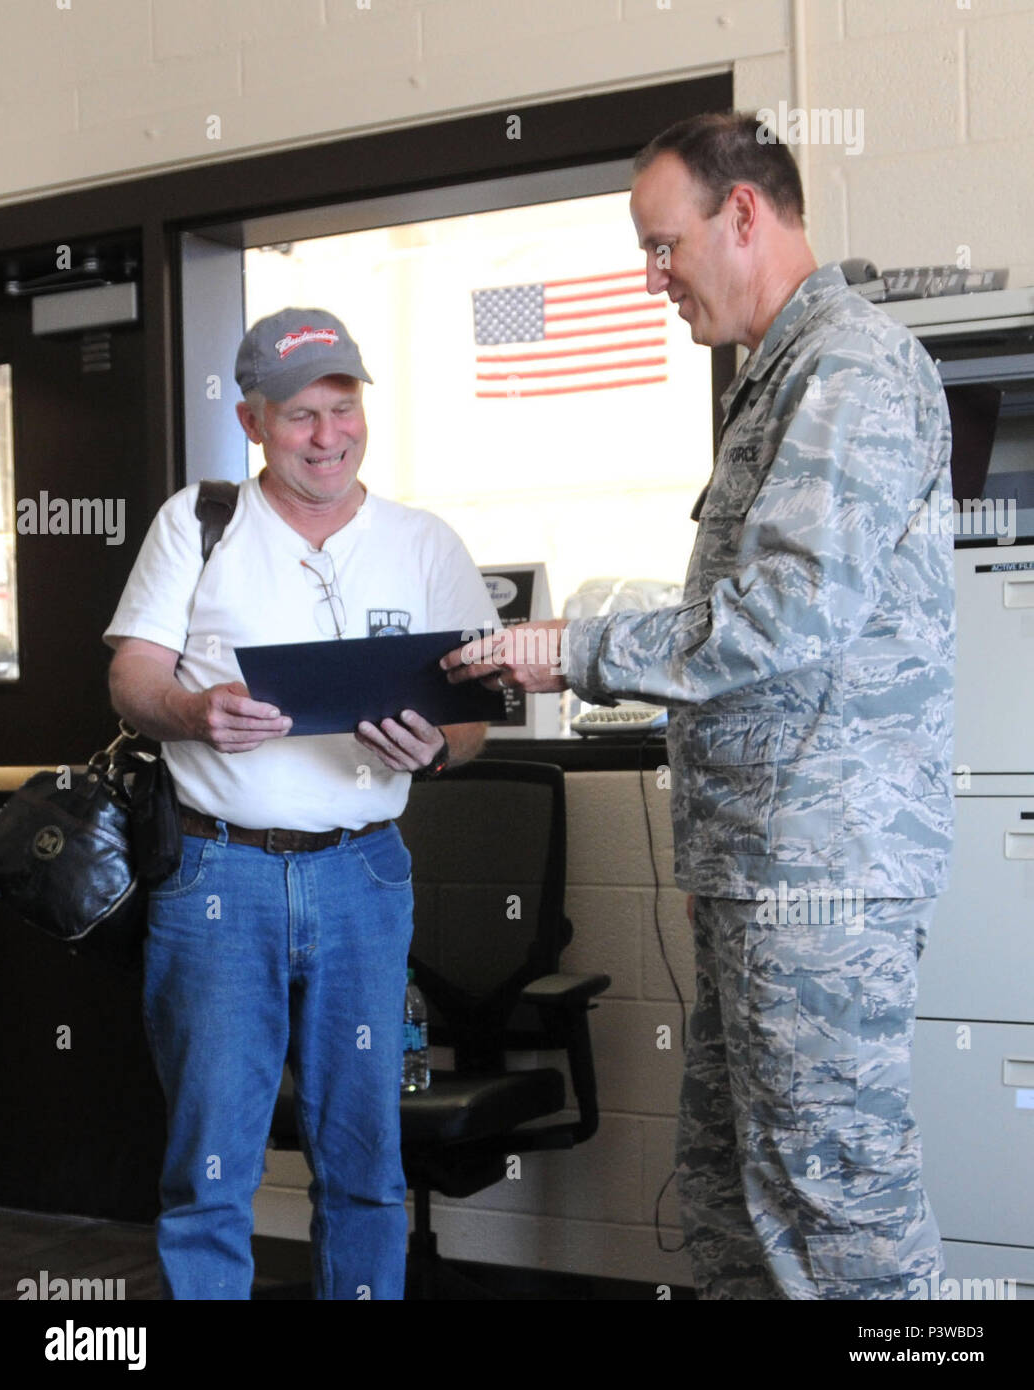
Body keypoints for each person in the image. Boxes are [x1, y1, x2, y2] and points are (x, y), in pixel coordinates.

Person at [443, 112, 955, 1300]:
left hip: (820, 870)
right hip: (761, 863)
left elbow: (788, 614)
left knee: (839, 1203)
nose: (653, 276)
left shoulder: (850, 369)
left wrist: (573, 649)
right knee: (732, 1193)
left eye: (662, 245)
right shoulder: (776, 379)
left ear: (742, 213)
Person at [104, 307, 497, 1300]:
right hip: (216, 873)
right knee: (210, 1168)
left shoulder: (424, 542)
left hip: (362, 870)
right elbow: (133, 679)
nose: (328, 435)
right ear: (251, 419)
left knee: (365, 1162)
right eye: (299, 415)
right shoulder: (200, 521)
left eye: (343, 407)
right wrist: (193, 712)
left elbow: (474, 714)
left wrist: (438, 745)